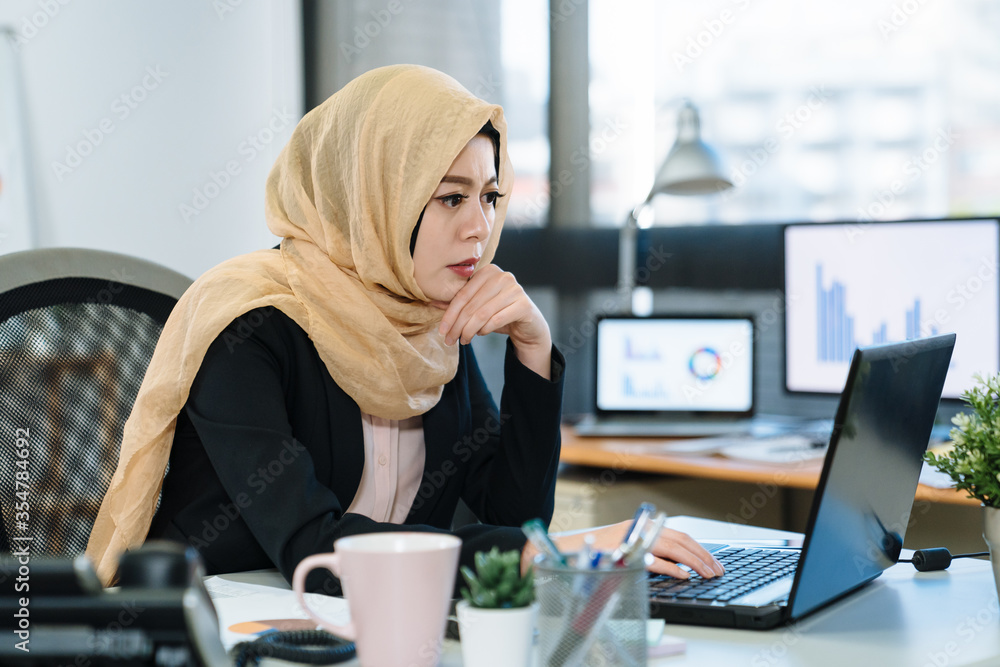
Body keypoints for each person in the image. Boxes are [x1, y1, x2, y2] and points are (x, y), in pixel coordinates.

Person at [86, 65, 723, 593]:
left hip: (381, 627)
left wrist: (533, 348)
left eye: (489, 197)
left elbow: (513, 517)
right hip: (235, 630)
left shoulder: (428, 320)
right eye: (451, 197)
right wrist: (553, 552)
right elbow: (318, 554)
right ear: (373, 194)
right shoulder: (247, 324)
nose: (480, 228)